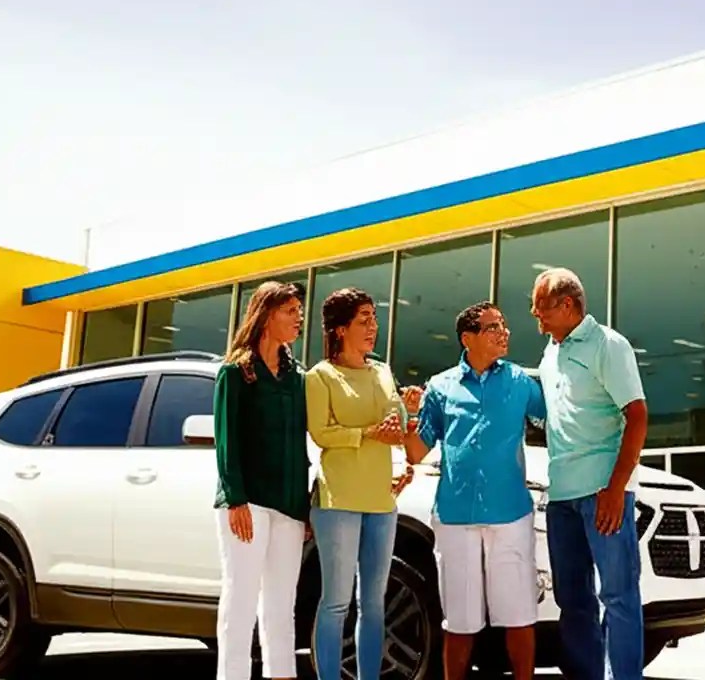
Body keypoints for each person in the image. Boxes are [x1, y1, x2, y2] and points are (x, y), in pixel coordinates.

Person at [403, 302, 545, 680]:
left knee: (519, 616)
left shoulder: (519, 381)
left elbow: (556, 416)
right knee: (460, 621)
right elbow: (416, 451)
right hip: (455, 518)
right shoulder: (440, 386)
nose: (504, 332)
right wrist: (408, 414)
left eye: (504, 325)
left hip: (511, 514)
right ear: (468, 338)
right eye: (493, 327)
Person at [530, 268, 649, 680]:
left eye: (540, 307)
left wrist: (616, 489)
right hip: (561, 495)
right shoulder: (550, 353)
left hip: (603, 492)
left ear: (567, 305)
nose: (535, 316)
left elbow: (636, 416)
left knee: (618, 596)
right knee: (573, 600)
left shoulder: (608, 345)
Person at [304, 287, 417, 680]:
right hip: (338, 501)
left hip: (382, 501)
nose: (373, 326)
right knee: (335, 602)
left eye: (374, 317)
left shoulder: (383, 371)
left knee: (374, 603)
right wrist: (370, 432)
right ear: (339, 329)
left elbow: (398, 425)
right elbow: (321, 432)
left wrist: (408, 411)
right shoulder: (320, 377)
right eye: (363, 319)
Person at [213, 280, 311, 680]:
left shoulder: (296, 378)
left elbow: (300, 446)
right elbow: (226, 441)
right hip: (247, 503)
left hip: (288, 505)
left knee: (280, 604)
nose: (298, 318)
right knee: (240, 599)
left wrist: (304, 509)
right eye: (290, 311)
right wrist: (235, 498)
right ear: (267, 315)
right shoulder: (235, 372)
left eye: (299, 312)